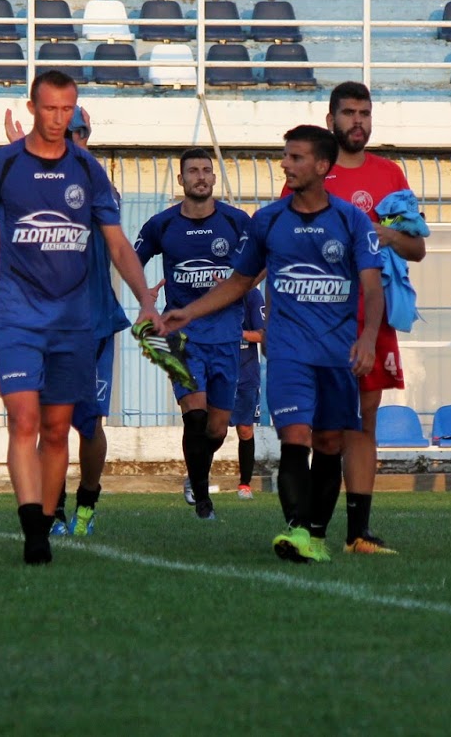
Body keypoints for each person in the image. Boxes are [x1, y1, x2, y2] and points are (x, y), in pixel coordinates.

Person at [0, 72, 158, 566]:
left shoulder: (88, 170)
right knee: (23, 420)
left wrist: (146, 300)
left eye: (68, 111)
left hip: (73, 321)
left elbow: (117, 243)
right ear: (32, 106)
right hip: (17, 315)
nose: (59, 119)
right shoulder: (1, 166)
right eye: (50, 109)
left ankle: (45, 520)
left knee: (58, 429)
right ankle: (34, 532)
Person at [161, 125, 384, 564]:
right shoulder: (268, 220)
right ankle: (297, 529)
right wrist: (190, 311)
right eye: (285, 156)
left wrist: (369, 337)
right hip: (287, 351)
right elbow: (241, 281)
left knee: (328, 443)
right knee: (294, 437)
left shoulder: (351, 220)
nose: (285, 164)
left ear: (322, 166)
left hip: (336, 352)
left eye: (296, 157)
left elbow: (372, 287)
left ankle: (314, 534)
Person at [299, 82, 425, 554]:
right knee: (323, 429)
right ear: (330, 118)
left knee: (363, 424)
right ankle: (309, 526)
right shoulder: (313, 169)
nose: (358, 121)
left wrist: (383, 236)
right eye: (349, 112)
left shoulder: (389, 174)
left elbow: (418, 246)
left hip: (373, 321)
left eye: (365, 113)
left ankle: (358, 532)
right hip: (318, 319)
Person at [7, 104, 127, 537]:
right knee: (47, 422)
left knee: (89, 424)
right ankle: (50, 511)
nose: (71, 139)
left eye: (78, 132)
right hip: (47, 325)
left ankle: (88, 504)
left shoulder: (97, 184)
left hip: (93, 324)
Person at [135, 148, 252, 521]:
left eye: (206, 170)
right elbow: (129, 260)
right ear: (181, 181)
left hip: (226, 337)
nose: (201, 177)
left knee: (217, 429)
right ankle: (203, 502)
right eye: (193, 171)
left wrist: (239, 284)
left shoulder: (237, 222)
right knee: (195, 417)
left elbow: (260, 263)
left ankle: (195, 473)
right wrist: (145, 299)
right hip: (181, 338)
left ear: (214, 178)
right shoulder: (162, 225)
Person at [234, 286, 267, 499]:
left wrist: (239, 334)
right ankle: (198, 479)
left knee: (245, 429)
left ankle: (244, 484)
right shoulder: (208, 291)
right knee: (210, 426)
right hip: (215, 370)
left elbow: (263, 334)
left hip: (246, 373)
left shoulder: (251, 295)